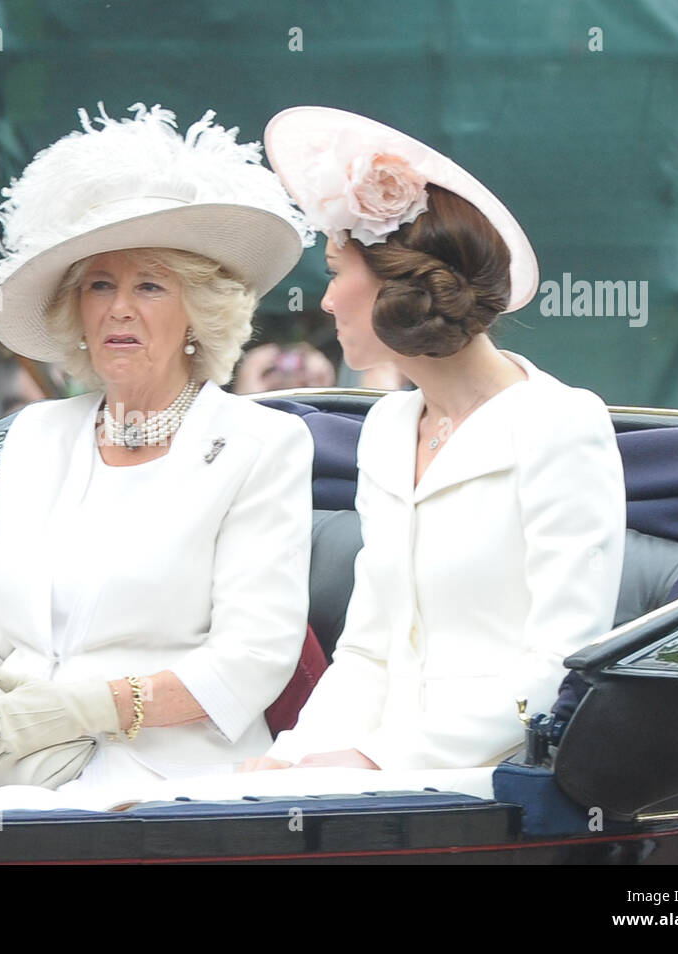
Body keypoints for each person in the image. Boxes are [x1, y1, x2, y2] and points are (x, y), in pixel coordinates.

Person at [0, 103, 315, 812]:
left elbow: (252, 662)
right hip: (0, 768)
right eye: (100, 285)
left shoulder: (258, 445)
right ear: (77, 313)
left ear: (197, 312)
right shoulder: (37, 435)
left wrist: (87, 708)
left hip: (162, 783)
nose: (119, 308)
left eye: (149, 284)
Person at [242, 107, 625, 774]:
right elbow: (367, 651)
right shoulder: (387, 430)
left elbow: (561, 667)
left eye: (337, 272)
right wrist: (293, 760)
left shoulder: (560, 424)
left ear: (395, 285)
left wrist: (371, 759)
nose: (326, 302)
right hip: (375, 780)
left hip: (495, 783)